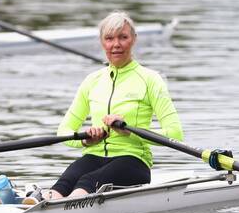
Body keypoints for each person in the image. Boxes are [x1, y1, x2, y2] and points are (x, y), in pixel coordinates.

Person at [45, 11, 183, 200]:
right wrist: (86, 140)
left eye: (123, 37)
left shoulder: (151, 80)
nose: (116, 44)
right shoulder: (92, 81)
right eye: (109, 38)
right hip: (94, 157)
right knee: (66, 181)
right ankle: (42, 202)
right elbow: (63, 131)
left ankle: (65, 207)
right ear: (102, 42)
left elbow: (175, 134)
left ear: (133, 39)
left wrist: (129, 131)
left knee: (88, 180)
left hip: (134, 162)